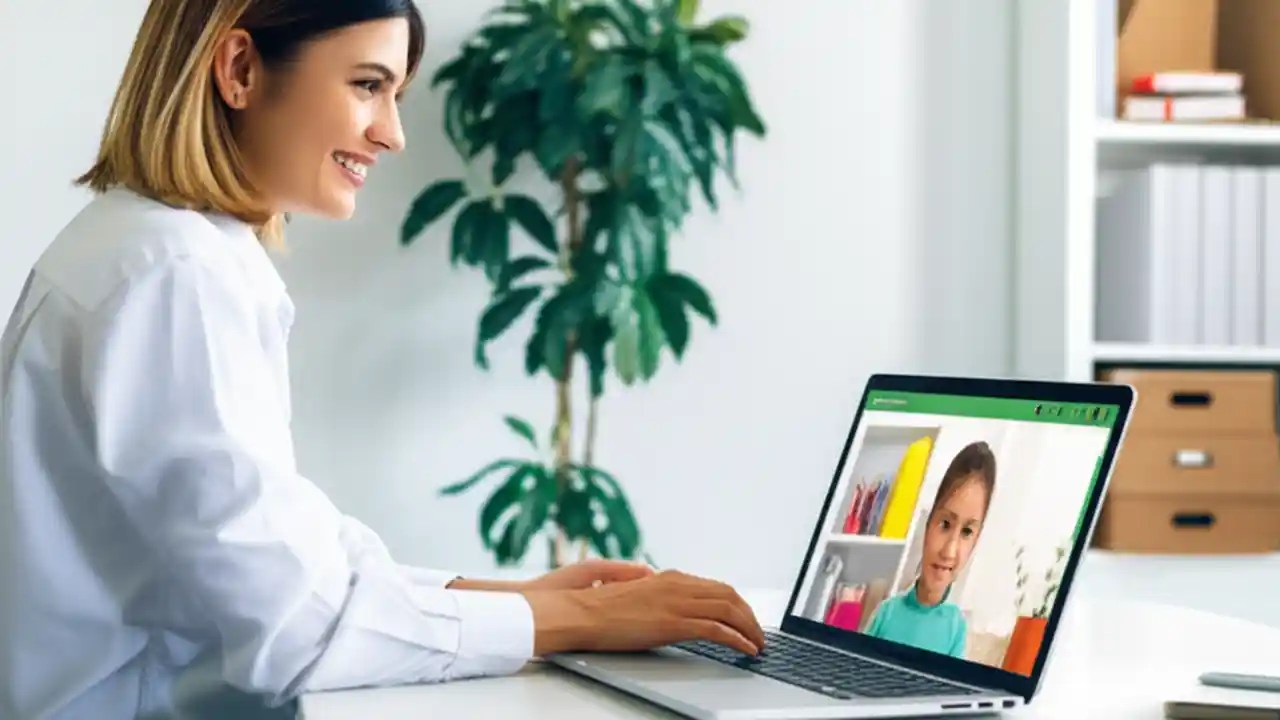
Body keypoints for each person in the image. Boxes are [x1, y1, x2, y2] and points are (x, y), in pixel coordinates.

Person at [0, 2, 765, 718]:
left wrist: (512, 595)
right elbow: (294, 630)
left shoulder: (150, 245)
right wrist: (575, 617)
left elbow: (292, 557)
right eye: (368, 85)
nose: (393, 133)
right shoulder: (176, 276)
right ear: (238, 71)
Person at [862, 441, 997, 659]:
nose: (950, 551)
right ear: (928, 523)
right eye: (945, 524)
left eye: (967, 532)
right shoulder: (886, 613)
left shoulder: (956, 629)